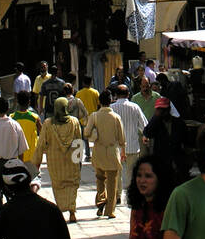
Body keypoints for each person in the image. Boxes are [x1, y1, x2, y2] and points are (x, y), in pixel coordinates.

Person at [32, 97, 83, 223]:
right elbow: (78, 141)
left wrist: (36, 164)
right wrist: (79, 160)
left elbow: (41, 144)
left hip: (55, 161)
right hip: (71, 159)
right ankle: (72, 211)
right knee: (72, 184)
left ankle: (60, 211)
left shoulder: (48, 124)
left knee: (58, 185)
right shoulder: (74, 122)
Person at [85, 89, 126, 219]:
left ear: (100, 102)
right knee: (112, 183)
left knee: (100, 179)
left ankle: (101, 200)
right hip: (112, 152)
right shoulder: (116, 117)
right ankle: (110, 210)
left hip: (99, 151)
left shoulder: (94, 116)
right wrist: (123, 152)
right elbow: (121, 138)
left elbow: (86, 133)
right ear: (111, 101)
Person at [142, 97, 187, 184]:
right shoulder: (156, 123)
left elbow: (186, 140)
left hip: (176, 161)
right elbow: (147, 133)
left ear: (169, 109)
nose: (162, 112)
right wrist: (155, 117)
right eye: (159, 110)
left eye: (163, 110)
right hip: (160, 160)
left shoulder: (178, 123)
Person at [112, 84, 148, 182]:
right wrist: (145, 137)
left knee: (116, 174)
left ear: (116, 95)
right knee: (132, 175)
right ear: (128, 94)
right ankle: (130, 195)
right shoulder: (135, 107)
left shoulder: (111, 108)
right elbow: (144, 125)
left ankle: (117, 195)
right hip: (132, 146)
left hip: (116, 148)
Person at [11, 89, 41, 162]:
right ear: (29, 102)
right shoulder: (35, 118)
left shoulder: (12, 117)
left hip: (17, 156)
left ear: (18, 102)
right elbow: (43, 133)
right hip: (32, 156)